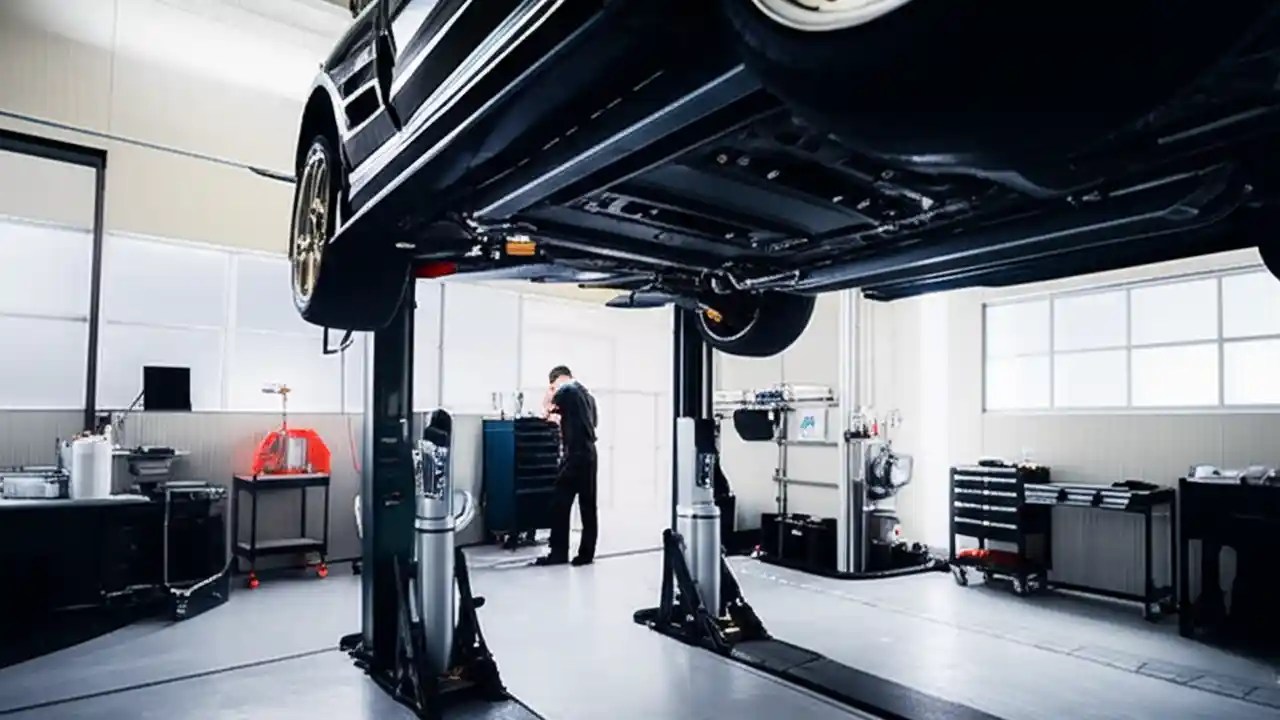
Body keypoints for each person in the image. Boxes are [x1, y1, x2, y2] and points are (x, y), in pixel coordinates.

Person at [535, 365, 598, 566]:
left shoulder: (567, 390)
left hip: (575, 454)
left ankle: (559, 552)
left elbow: (546, 410)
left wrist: (550, 394)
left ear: (558, 380)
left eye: (553, 386)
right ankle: (586, 554)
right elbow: (593, 422)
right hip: (589, 453)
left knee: (559, 503)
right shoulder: (588, 396)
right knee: (588, 506)